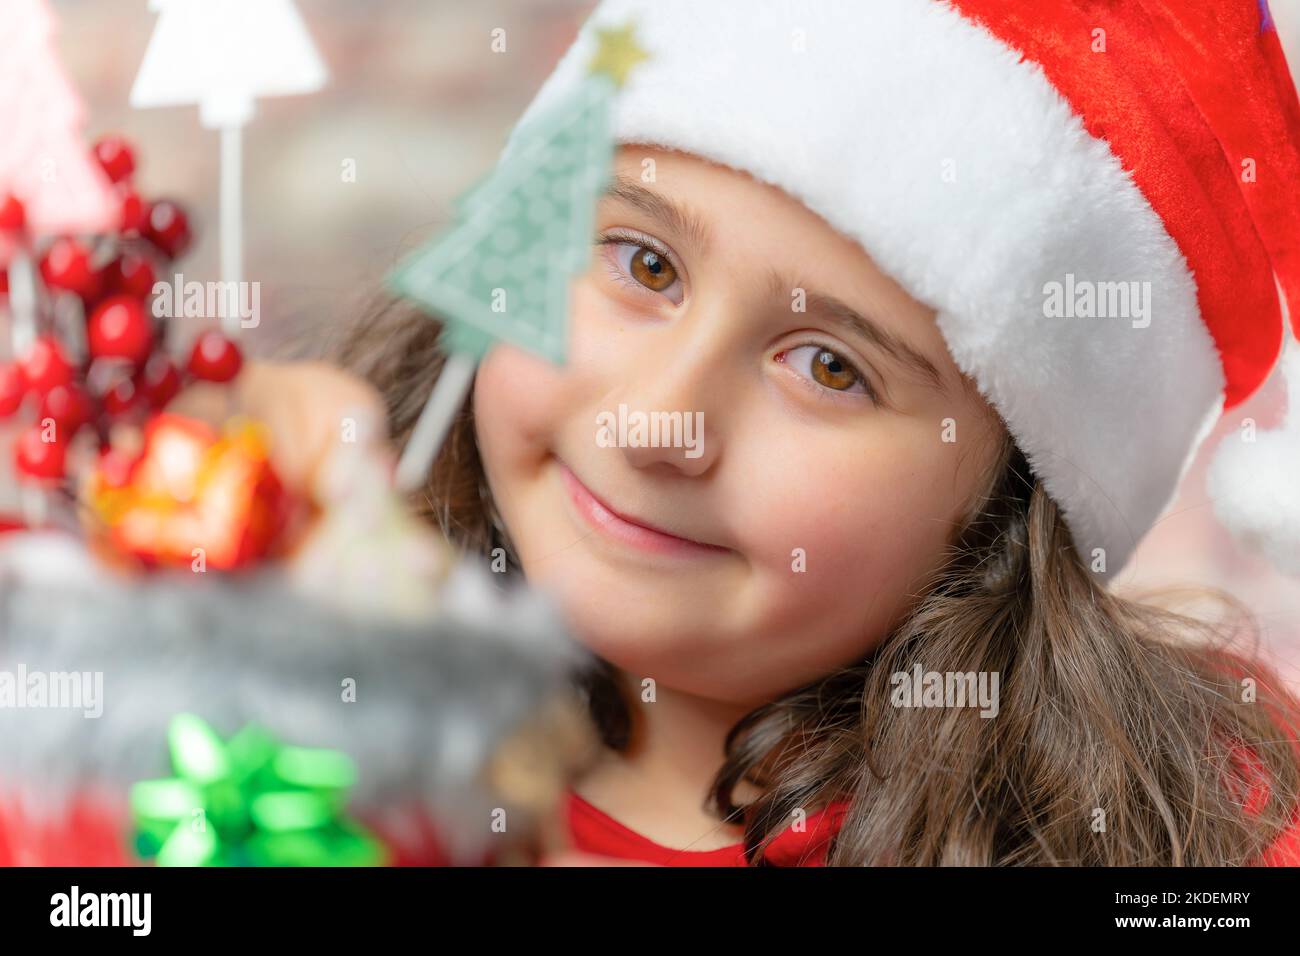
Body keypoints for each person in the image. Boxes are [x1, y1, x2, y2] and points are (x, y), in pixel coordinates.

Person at [272, 0, 1300, 865]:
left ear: (1006, 508)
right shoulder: (259, 662)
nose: (657, 422)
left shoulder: (1200, 840)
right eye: (643, 265)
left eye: (829, 368)